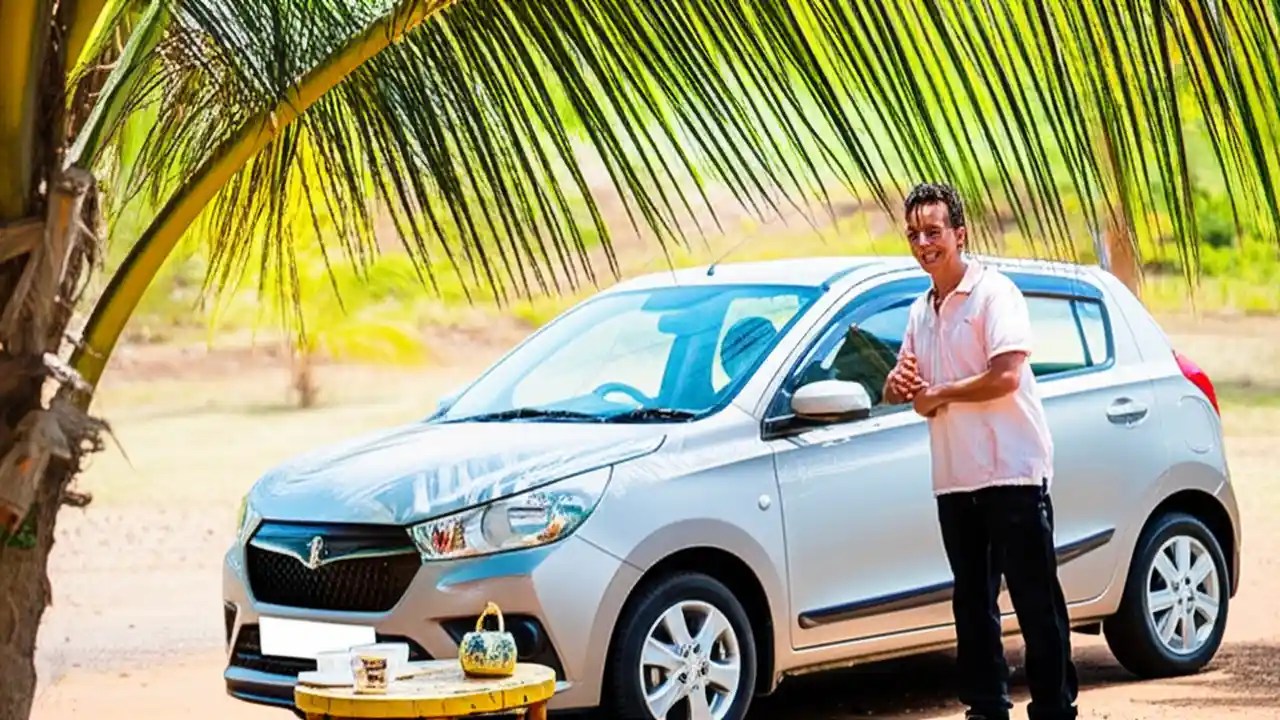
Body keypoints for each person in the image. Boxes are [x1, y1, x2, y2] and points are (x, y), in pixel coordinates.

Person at [881, 182, 1079, 720]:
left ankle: (1054, 709)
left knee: (1035, 599)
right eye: (914, 234)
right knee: (971, 603)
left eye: (934, 232)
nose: (924, 243)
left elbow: (1006, 376)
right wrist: (896, 386)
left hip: (1013, 471)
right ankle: (987, 708)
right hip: (955, 476)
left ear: (960, 234)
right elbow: (910, 391)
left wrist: (940, 394)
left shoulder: (995, 294)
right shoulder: (920, 311)